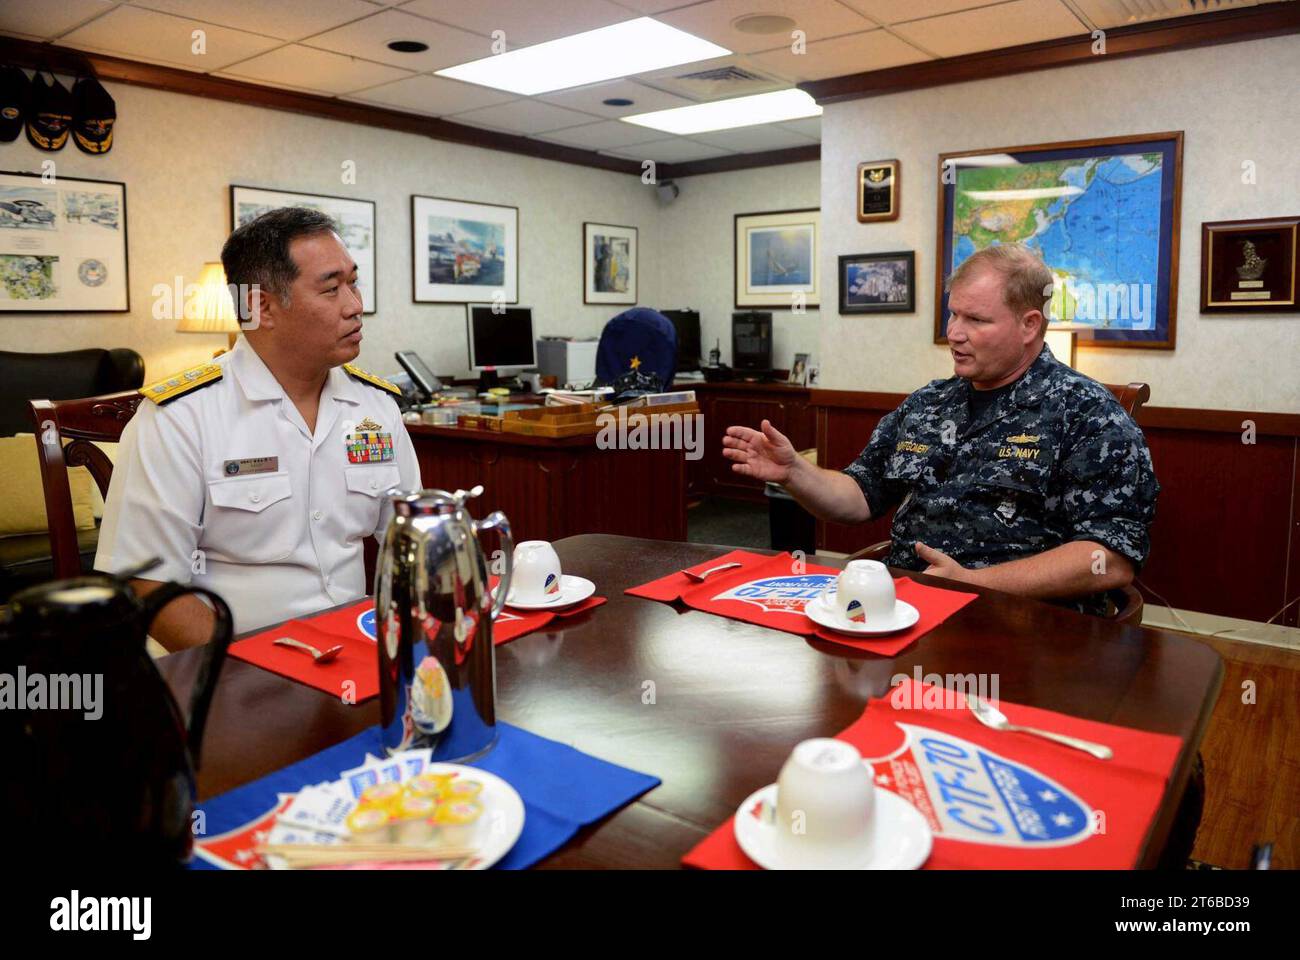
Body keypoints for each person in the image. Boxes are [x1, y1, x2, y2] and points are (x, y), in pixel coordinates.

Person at [723, 243, 1159, 616]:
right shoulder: (929, 402)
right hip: (901, 610)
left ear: (1029, 324)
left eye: (976, 320)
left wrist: (974, 582)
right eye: (953, 315)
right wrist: (794, 472)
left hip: (1021, 626)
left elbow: (1111, 557)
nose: (954, 333)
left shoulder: (1087, 414)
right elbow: (860, 496)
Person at [95, 207, 421, 649]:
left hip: (358, 652)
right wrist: (245, 673)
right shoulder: (179, 418)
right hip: (231, 670)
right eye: (331, 289)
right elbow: (147, 584)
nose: (356, 306)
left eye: (353, 282)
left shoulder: (376, 406)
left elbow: (412, 543)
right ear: (260, 306)